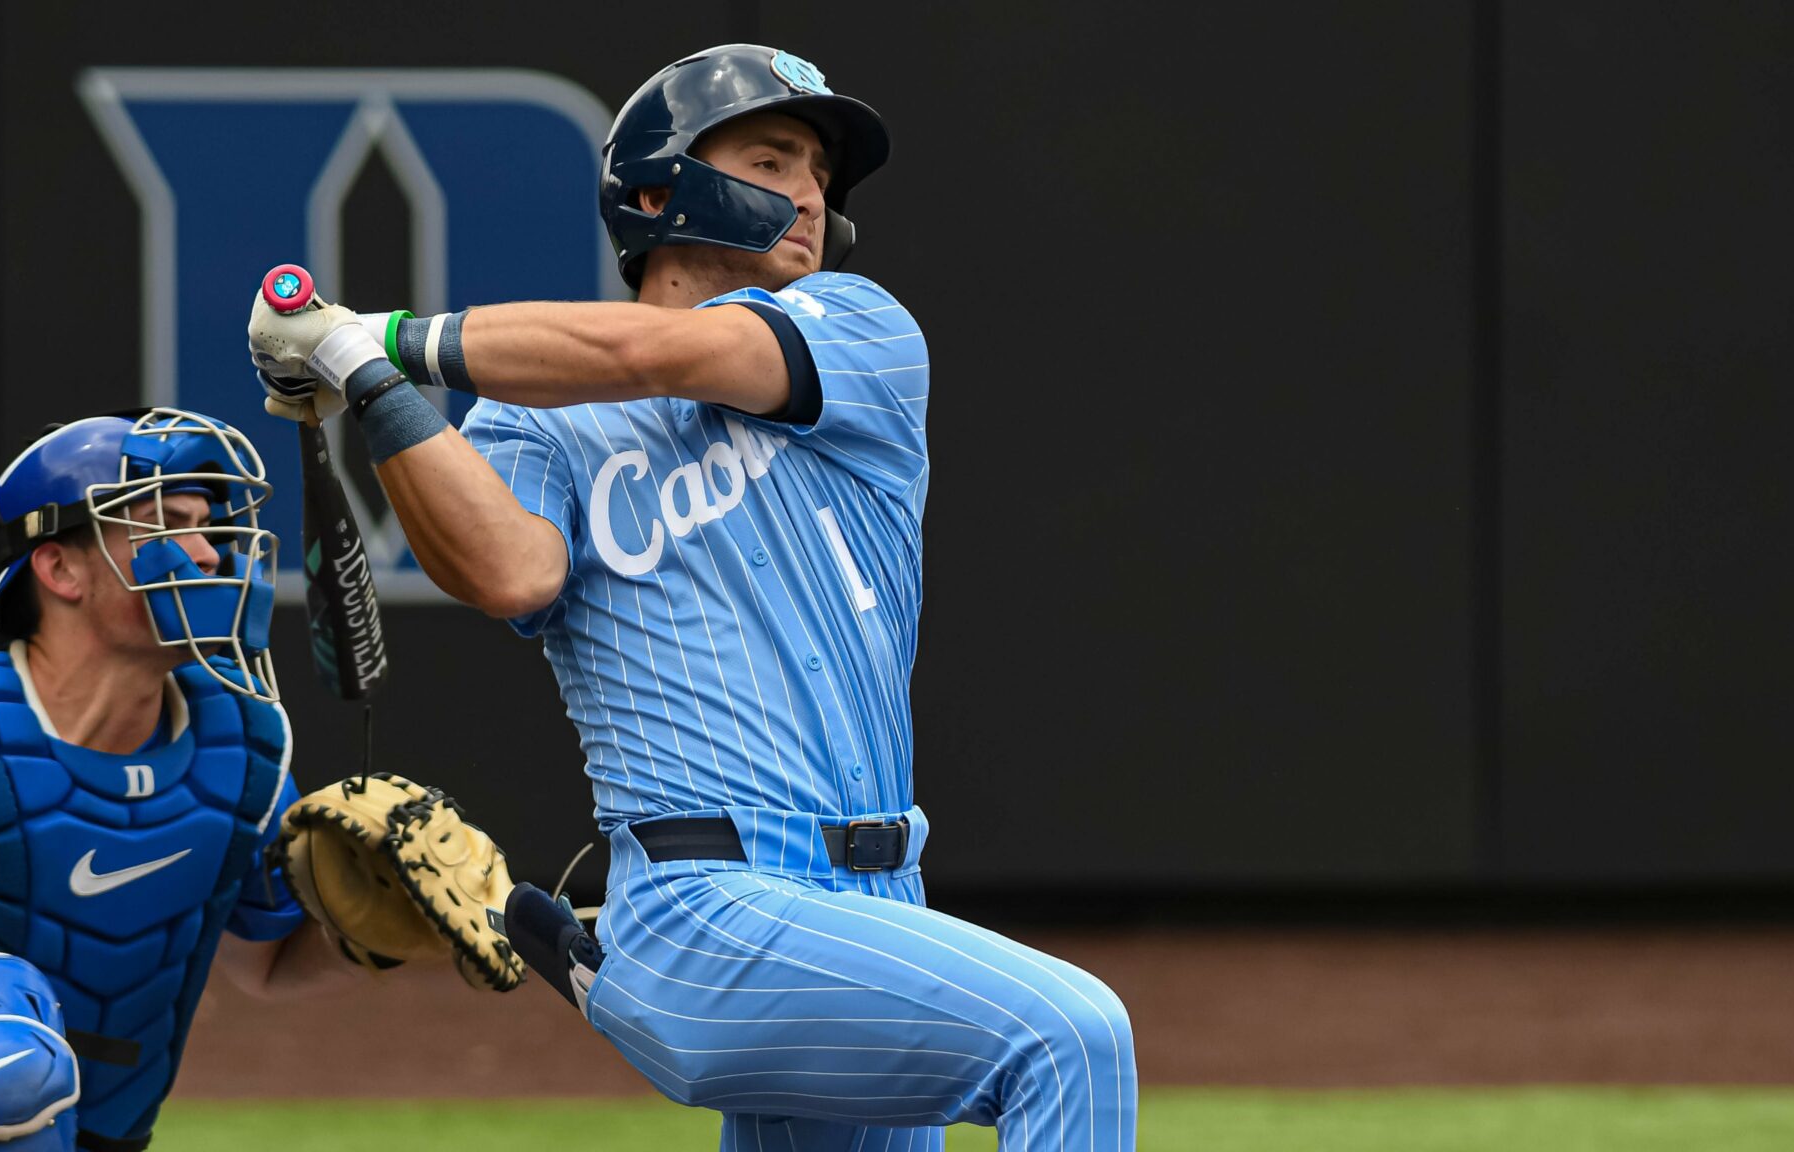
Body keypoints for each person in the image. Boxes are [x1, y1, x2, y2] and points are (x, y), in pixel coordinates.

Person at [248, 44, 1136, 1151]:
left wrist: (371, 337)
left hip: (874, 906)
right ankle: (624, 976)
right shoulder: (534, 424)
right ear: (659, 191)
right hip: (703, 907)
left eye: (820, 174)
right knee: (1070, 1037)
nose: (811, 195)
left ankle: (592, 974)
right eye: (772, 159)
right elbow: (508, 573)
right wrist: (368, 388)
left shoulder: (860, 330)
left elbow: (652, 355)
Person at [0, 408, 356, 1152]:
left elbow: (263, 962)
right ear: (58, 567)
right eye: (166, 525)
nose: (208, 555)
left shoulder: (237, 748)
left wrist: (363, 927)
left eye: (209, 527)